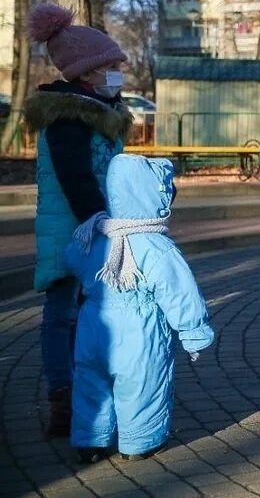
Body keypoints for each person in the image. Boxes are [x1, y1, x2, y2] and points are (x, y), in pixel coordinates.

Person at [23, 2, 131, 438]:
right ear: (88, 73)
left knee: (90, 314)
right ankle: (63, 398)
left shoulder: (100, 114)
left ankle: (89, 391)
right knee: (63, 313)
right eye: (113, 67)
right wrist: (100, 220)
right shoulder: (69, 116)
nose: (119, 73)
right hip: (73, 233)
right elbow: (76, 178)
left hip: (94, 231)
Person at [65, 154, 214, 462]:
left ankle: (90, 441)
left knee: (92, 384)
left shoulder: (97, 232)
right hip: (140, 330)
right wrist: (193, 332)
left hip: (94, 325)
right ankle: (140, 441)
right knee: (143, 384)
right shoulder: (155, 244)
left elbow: (72, 257)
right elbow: (178, 290)